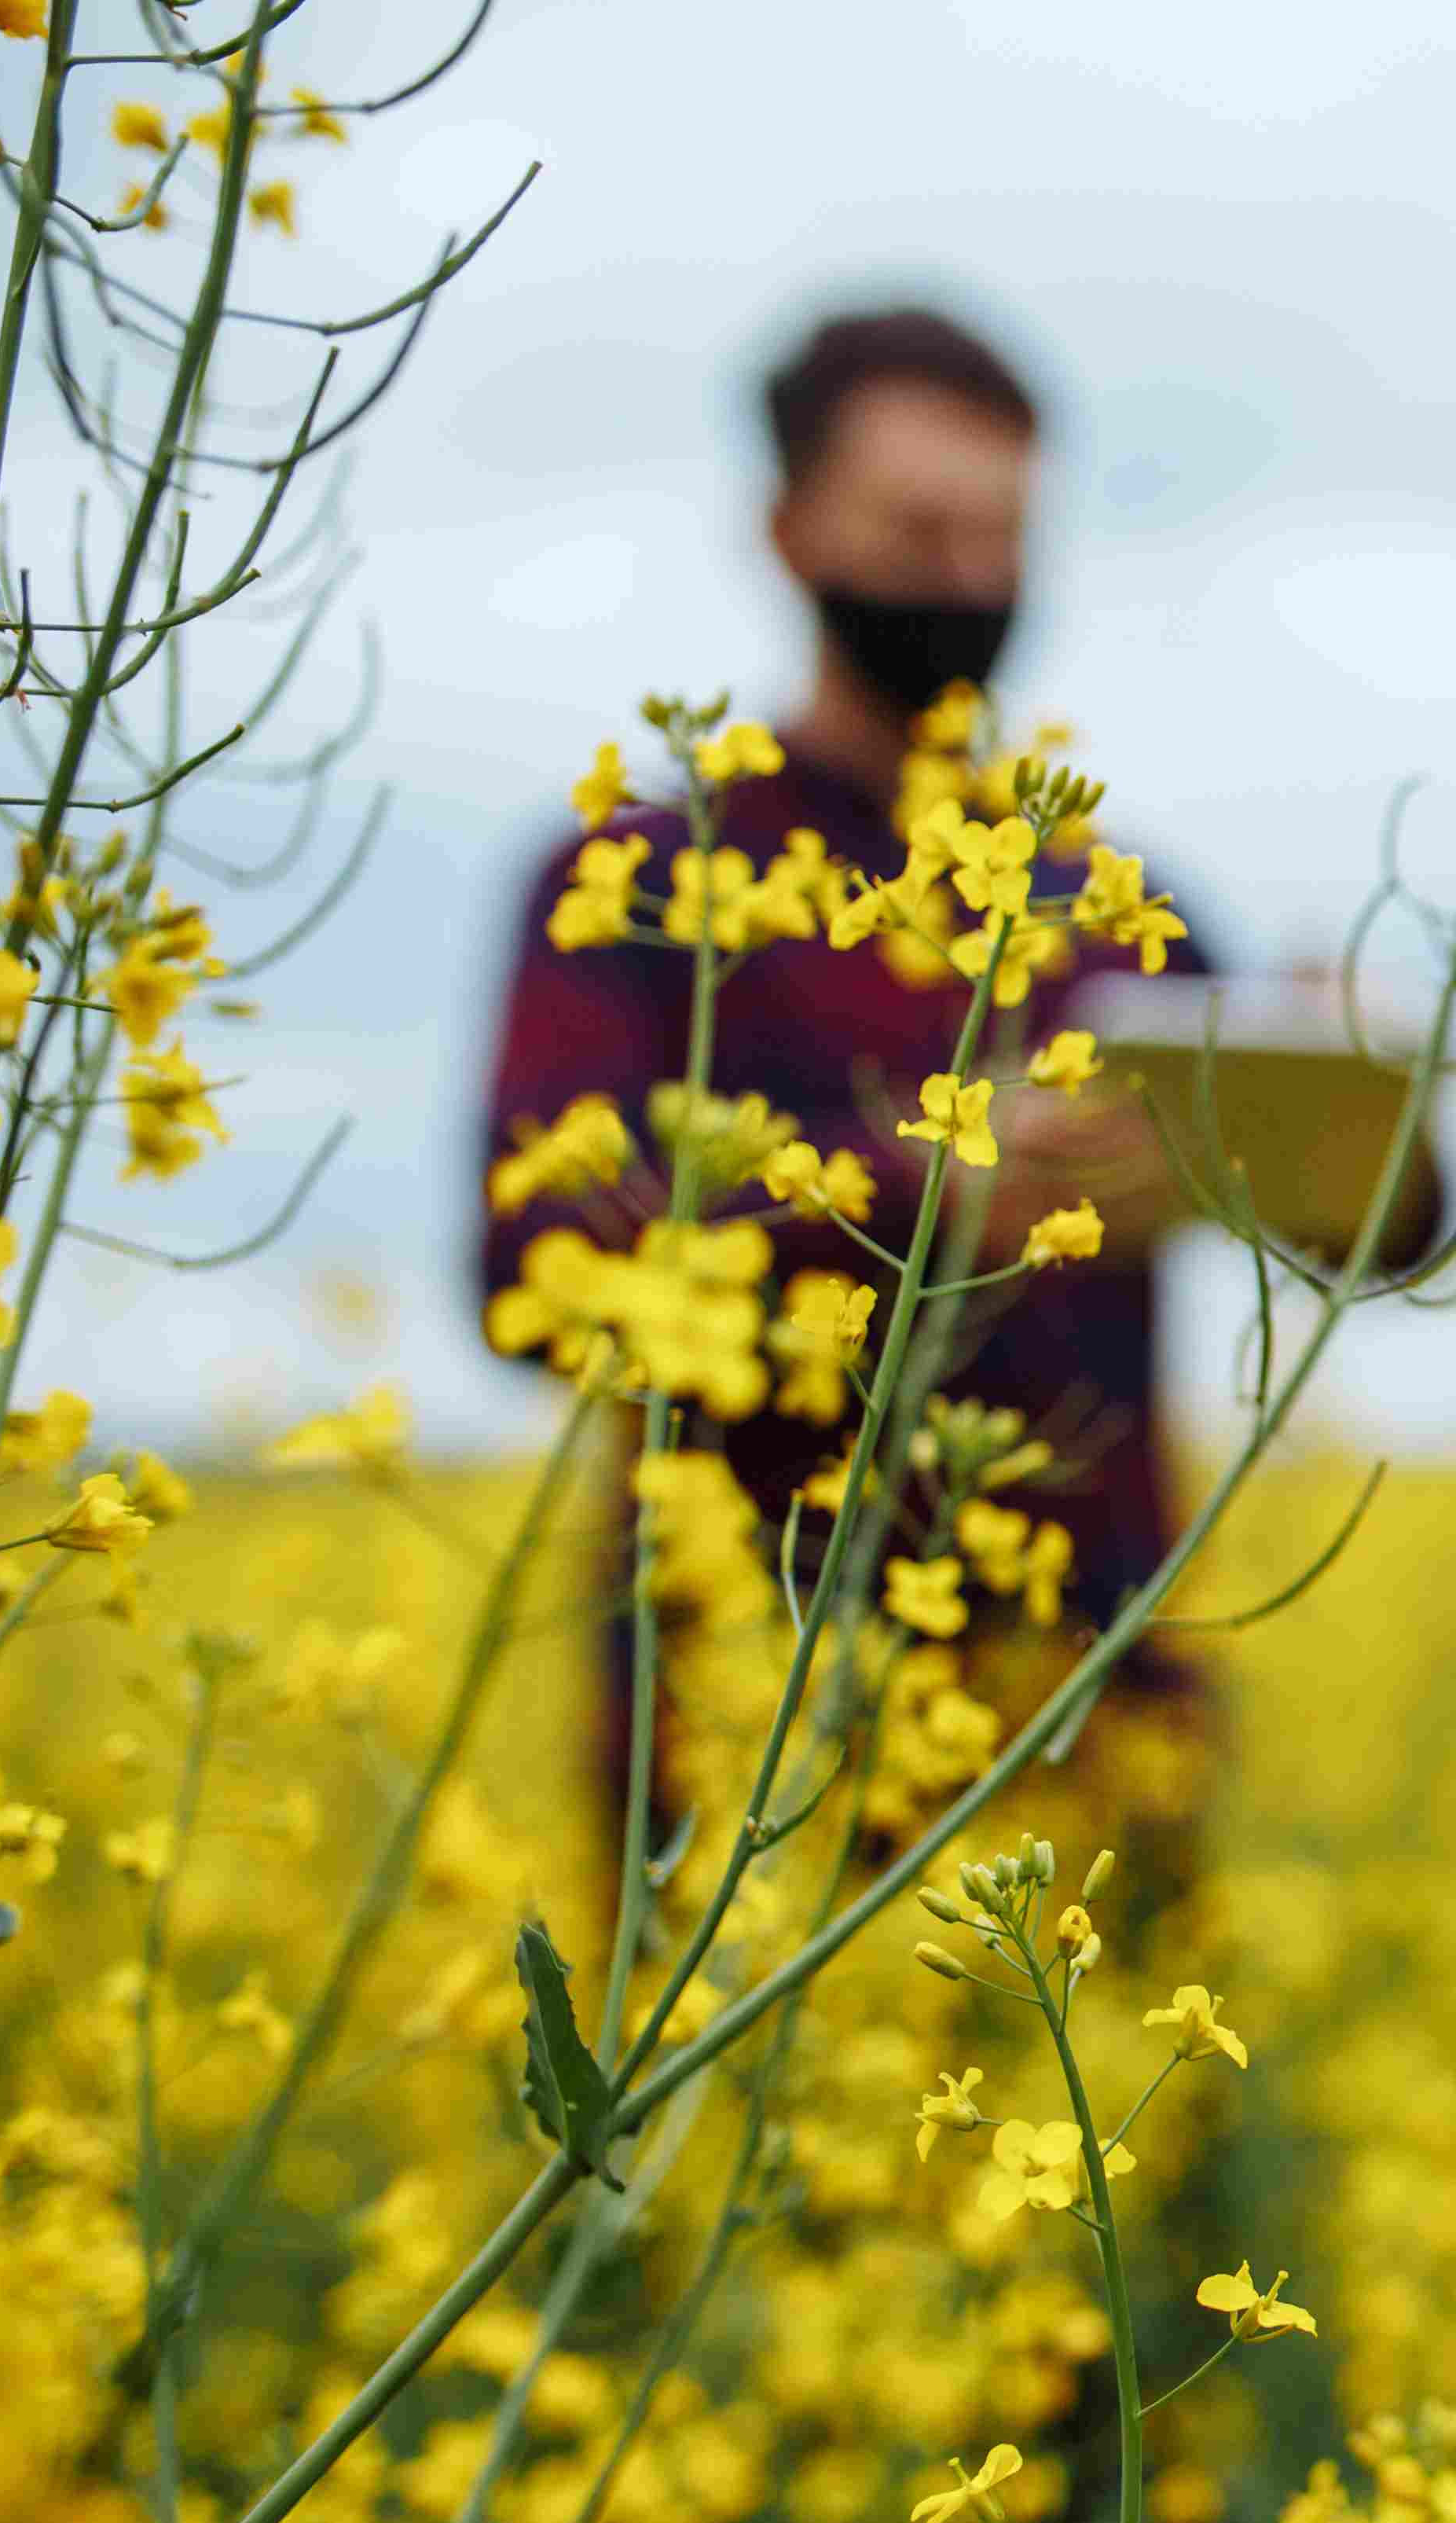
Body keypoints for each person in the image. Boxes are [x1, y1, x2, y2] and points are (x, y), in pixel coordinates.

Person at [471, 303, 1215, 1844]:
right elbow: (529, 1258)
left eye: (999, 536)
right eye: (918, 528)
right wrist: (933, 1185)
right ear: (791, 529)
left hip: (1091, 1711)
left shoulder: (1111, 904)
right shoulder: (645, 880)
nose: (963, 581)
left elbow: (1370, 1237)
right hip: (742, 1729)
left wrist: (1378, 1104)